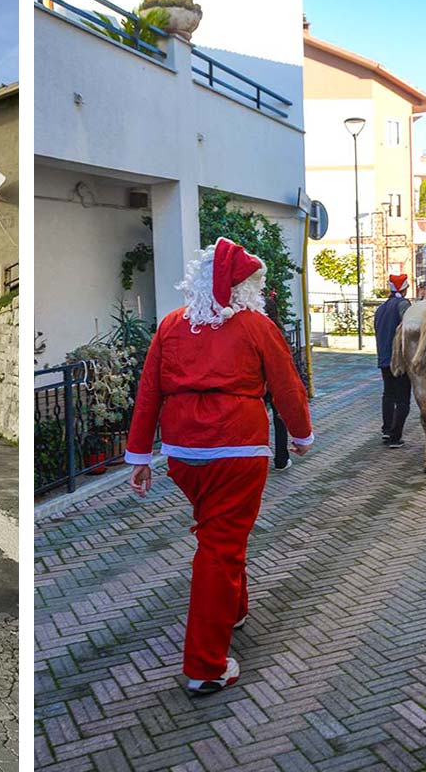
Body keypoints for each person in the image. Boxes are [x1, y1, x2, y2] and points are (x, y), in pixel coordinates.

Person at [124, 238, 313, 697]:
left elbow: (148, 391)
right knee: (219, 547)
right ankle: (205, 665)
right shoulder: (256, 326)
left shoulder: (171, 325)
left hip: (185, 454)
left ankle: (235, 607)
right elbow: (286, 384)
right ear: (240, 285)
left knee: (220, 534)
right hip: (239, 451)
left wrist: (140, 455)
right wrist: (301, 433)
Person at [374, 274, 413, 449]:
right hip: (400, 360)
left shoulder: (380, 309)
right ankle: (395, 437)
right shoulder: (404, 306)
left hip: (383, 359)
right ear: (404, 289)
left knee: (388, 395)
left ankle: (387, 430)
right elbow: (411, 330)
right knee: (403, 398)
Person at [263, 290, 292, 471]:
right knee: (280, 418)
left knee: (257, 418)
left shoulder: (251, 329)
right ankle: (281, 458)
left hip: (257, 382)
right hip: (276, 383)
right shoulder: (278, 333)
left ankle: (259, 454)